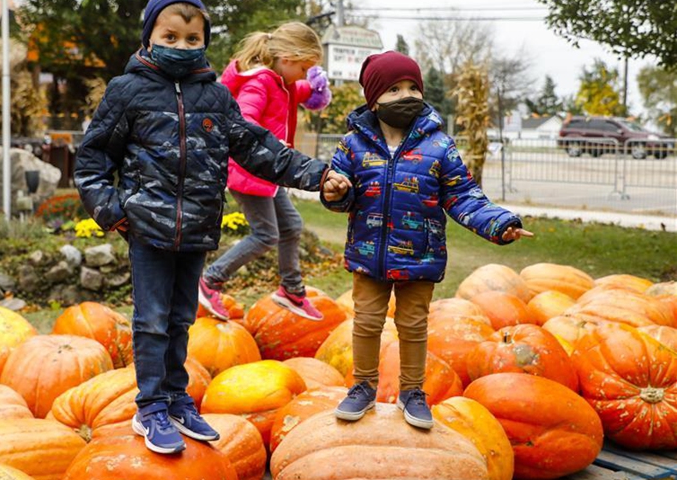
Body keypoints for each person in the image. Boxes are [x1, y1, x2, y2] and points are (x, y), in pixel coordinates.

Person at [73, 0, 350, 455]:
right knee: (152, 320)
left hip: (197, 227)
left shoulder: (216, 98)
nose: (182, 46)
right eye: (170, 37)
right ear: (150, 37)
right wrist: (113, 210)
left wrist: (318, 176)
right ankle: (151, 407)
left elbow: (262, 150)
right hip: (147, 229)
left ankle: (178, 398)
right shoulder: (127, 90)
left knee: (182, 319)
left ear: (204, 41)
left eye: (192, 39)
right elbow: (92, 159)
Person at [321, 51, 532, 429]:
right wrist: (335, 193)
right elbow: (340, 190)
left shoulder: (439, 146)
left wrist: (499, 223)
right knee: (366, 322)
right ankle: (363, 387)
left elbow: (464, 195)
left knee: (414, 324)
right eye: (394, 89)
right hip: (368, 254)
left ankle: (412, 392)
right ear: (374, 99)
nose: (407, 95)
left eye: (413, 87)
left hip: (420, 255)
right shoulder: (352, 144)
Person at [197, 22, 332, 322]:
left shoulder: (283, 83)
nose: (304, 76)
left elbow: (302, 90)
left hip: (267, 174)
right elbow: (243, 121)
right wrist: (272, 142)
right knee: (266, 234)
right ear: (287, 59)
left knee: (291, 226)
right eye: (305, 68)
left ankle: (291, 290)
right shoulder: (260, 82)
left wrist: (317, 87)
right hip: (248, 173)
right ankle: (209, 281)